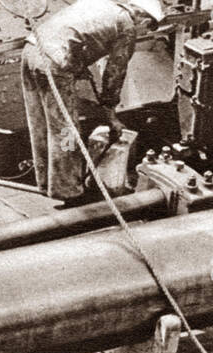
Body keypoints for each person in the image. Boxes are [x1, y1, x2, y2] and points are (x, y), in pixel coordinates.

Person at [20, 0, 165, 202]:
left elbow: (76, 32)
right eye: (148, 27)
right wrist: (111, 112)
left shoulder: (102, 4)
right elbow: (115, 72)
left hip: (30, 50)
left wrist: (78, 64)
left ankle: (45, 183)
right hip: (54, 62)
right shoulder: (127, 25)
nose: (143, 32)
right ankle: (68, 191)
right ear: (143, 18)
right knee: (66, 131)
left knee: (40, 124)